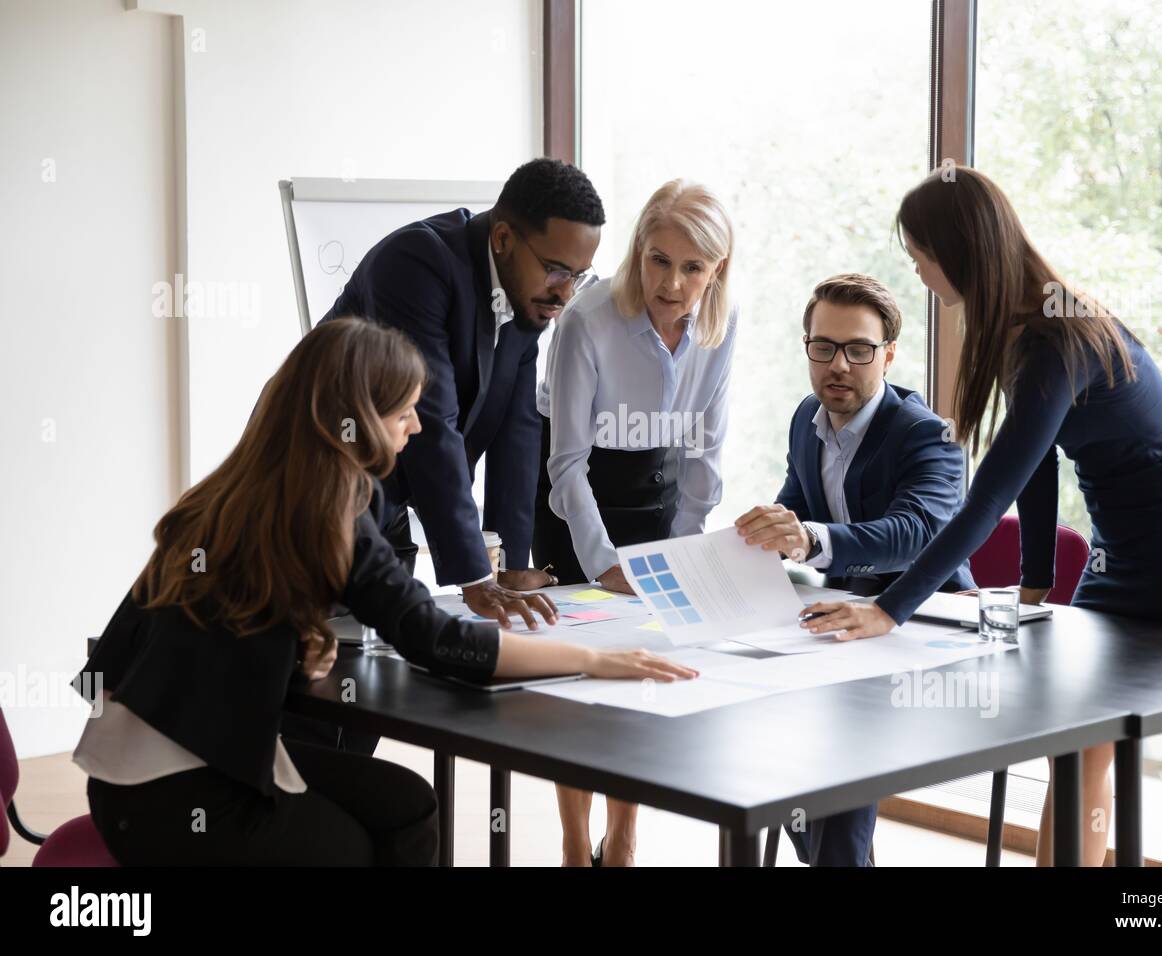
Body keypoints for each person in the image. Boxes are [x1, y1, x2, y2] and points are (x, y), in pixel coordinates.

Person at [71, 318, 697, 866]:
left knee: (407, 806)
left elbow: (155, 640)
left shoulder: (229, 492)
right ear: (357, 420)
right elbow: (440, 641)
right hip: (183, 791)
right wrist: (594, 659)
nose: (416, 427)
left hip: (127, 775)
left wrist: (292, 650)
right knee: (367, 844)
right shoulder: (332, 507)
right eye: (403, 412)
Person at [800, 167, 1162, 867]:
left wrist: (888, 610)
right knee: (1079, 749)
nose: (920, 272)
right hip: (1124, 560)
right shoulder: (1028, 332)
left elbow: (985, 499)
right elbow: (1039, 465)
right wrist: (1037, 580)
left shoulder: (1056, 338)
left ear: (959, 250)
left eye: (922, 254)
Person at [734, 272, 973, 866]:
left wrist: (808, 537)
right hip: (843, 628)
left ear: (887, 354)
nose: (838, 365)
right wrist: (755, 538)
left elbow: (914, 535)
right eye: (823, 346)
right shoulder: (806, 421)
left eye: (858, 350)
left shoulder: (928, 435)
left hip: (927, 628)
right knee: (750, 712)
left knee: (834, 736)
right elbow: (795, 507)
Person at [535, 179, 738, 866]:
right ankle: (571, 840)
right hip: (579, 500)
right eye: (659, 260)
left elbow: (704, 450)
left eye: (692, 268)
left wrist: (681, 552)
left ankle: (623, 838)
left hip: (660, 493)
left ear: (717, 270)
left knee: (646, 669)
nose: (672, 283)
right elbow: (565, 464)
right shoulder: (588, 320)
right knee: (579, 681)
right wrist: (603, 562)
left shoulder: (722, 323)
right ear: (638, 252)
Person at [322, 158, 606, 627]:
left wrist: (512, 564)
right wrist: (477, 575)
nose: (564, 293)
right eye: (556, 270)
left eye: (578, 276)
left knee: (386, 656)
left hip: (388, 507)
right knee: (322, 663)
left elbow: (518, 425)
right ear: (502, 239)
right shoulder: (417, 263)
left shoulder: (525, 295)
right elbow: (431, 423)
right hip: (324, 499)